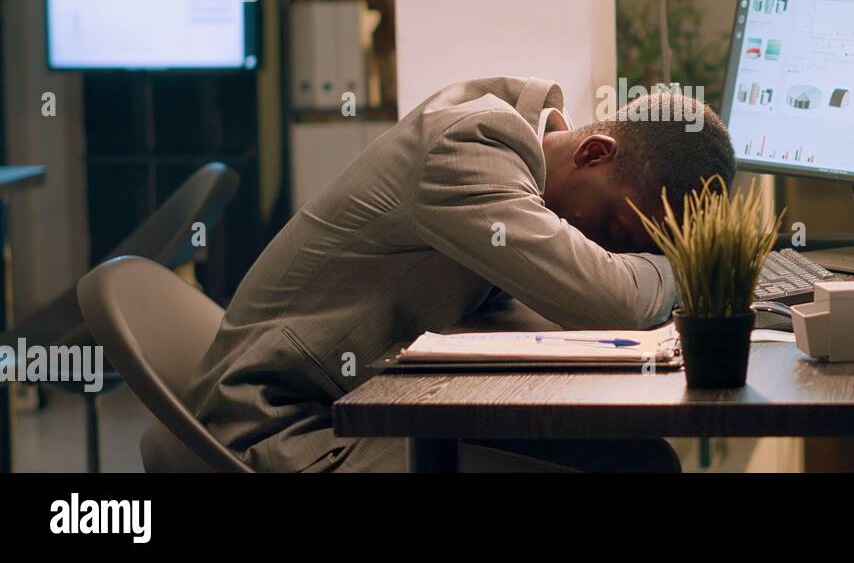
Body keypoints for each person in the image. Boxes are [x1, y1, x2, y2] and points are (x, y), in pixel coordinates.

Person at [178, 77, 736, 472]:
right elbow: (614, 300)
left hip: (359, 405)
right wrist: (698, 266)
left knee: (642, 459)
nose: (611, 251)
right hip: (288, 430)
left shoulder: (523, 166)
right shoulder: (469, 150)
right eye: (621, 231)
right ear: (593, 152)